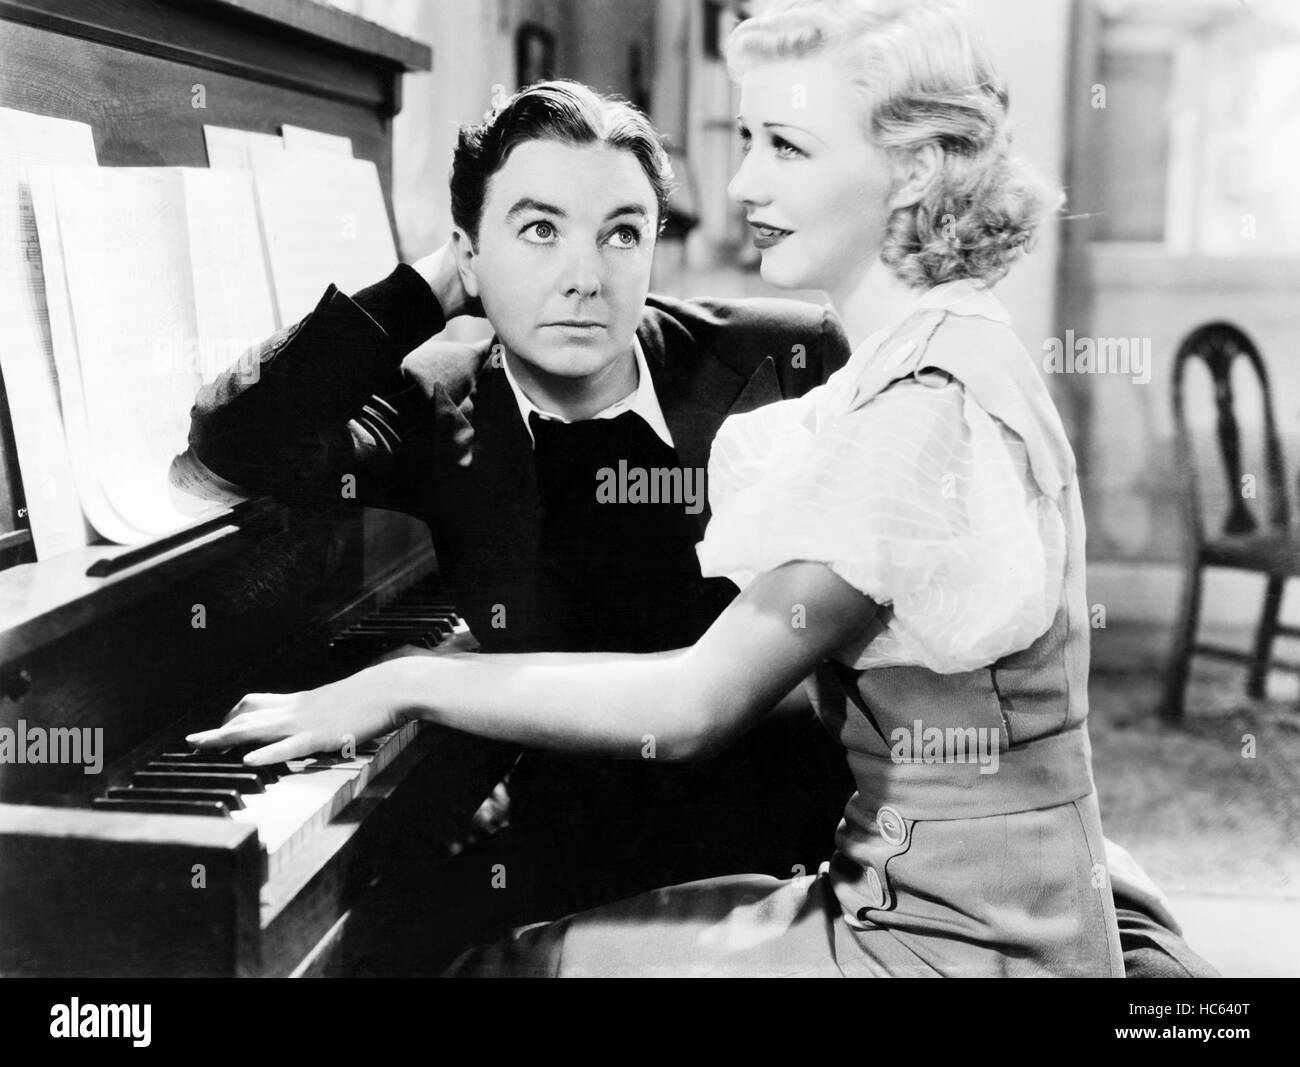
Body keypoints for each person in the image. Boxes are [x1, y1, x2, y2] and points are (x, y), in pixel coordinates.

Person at [188, 4, 1214, 976]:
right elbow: (245, 440)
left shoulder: (823, 368)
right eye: (538, 230)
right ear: (474, 247)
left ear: (909, 172)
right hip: (670, 837)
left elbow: (697, 702)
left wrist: (408, 677)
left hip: (853, 861)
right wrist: (433, 282)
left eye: (622, 230)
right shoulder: (447, 393)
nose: (584, 273)